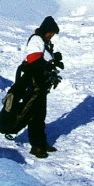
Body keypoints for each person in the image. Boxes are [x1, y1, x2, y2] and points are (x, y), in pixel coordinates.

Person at [24, 16, 63, 158]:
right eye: (51, 32)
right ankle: (36, 146)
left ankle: (42, 142)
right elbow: (33, 60)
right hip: (34, 83)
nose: (52, 35)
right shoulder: (36, 40)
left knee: (41, 114)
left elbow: (44, 59)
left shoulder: (44, 41)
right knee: (35, 115)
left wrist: (53, 61)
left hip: (41, 83)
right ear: (46, 30)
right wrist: (48, 68)